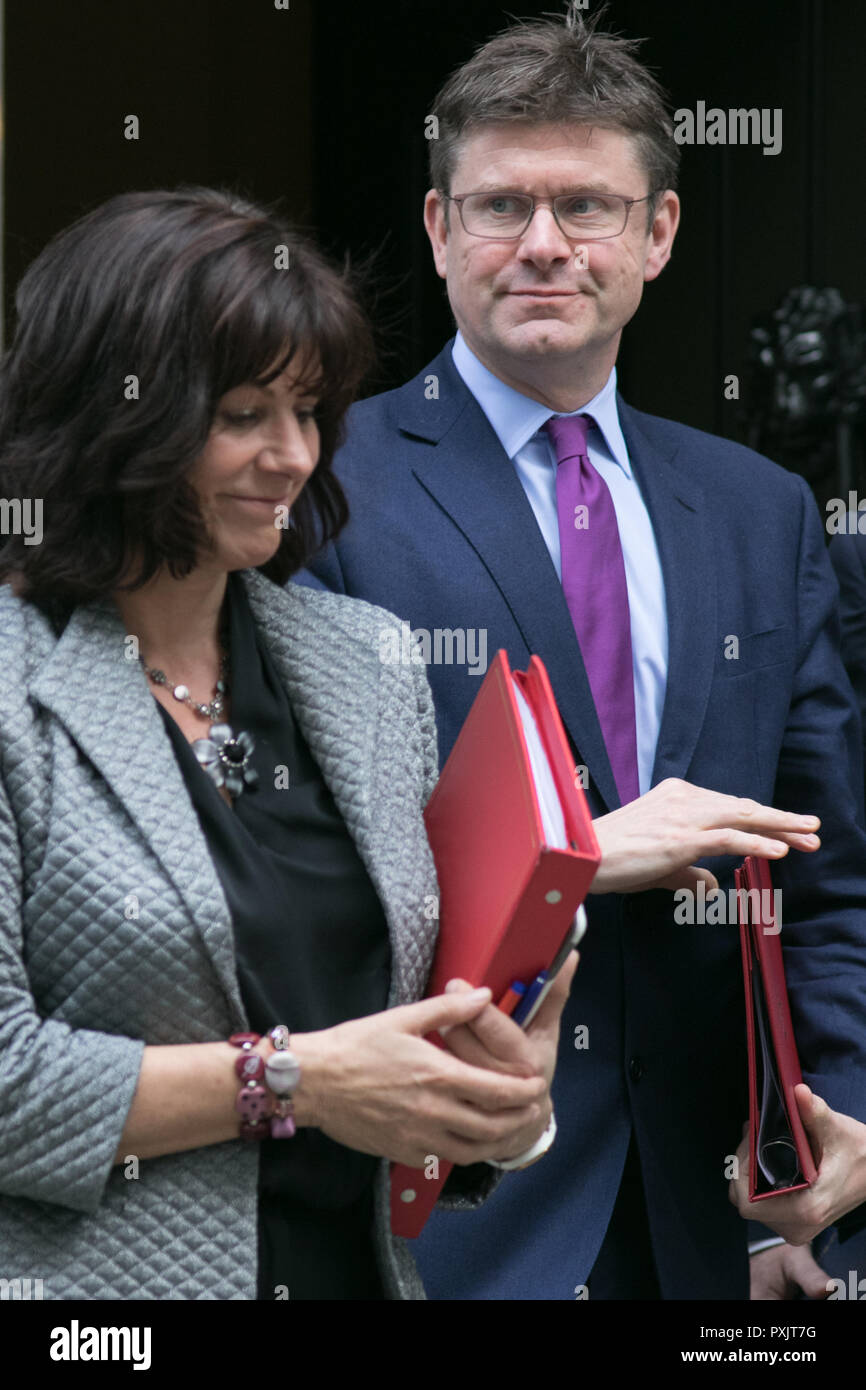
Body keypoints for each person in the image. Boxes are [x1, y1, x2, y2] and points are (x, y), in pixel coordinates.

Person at [298, 5, 866, 1299]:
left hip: (713, 1219)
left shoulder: (756, 509)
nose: (542, 245)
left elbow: (827, 877)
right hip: (446, 1208)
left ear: (656, 233)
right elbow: (290, 888)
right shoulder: (316, 490)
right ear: (438, 230)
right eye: (499, 206)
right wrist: (571, 861)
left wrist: (833, 1123)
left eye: (586, 207)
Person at [0, 186, 577, 1301]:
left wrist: (494, 1111)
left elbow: (392, 1061)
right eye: (242, 414)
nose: (293, 455)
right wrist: (290, 1079)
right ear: (110, 415)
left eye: (309, 411)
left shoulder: (366, 664)